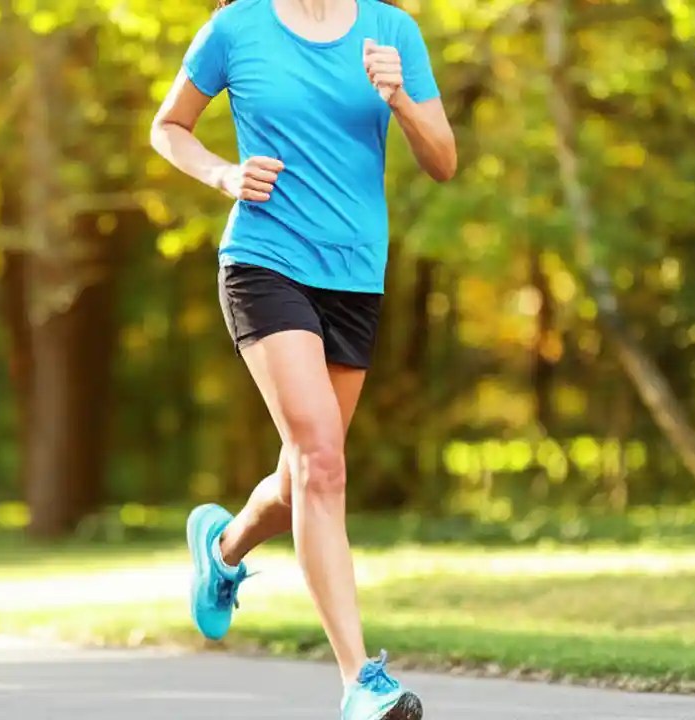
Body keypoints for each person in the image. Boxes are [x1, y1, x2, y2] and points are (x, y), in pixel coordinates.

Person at [150, 0, 456, 716]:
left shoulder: (393, 31)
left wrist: (403, 100)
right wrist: (224, 176)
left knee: (302, 472)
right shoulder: (236, 29)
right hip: (265, 261)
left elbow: (442, 161)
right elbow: (168, 127)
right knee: (322, 460)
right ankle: (360, 683)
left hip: (354, 275)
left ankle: (222, 548)